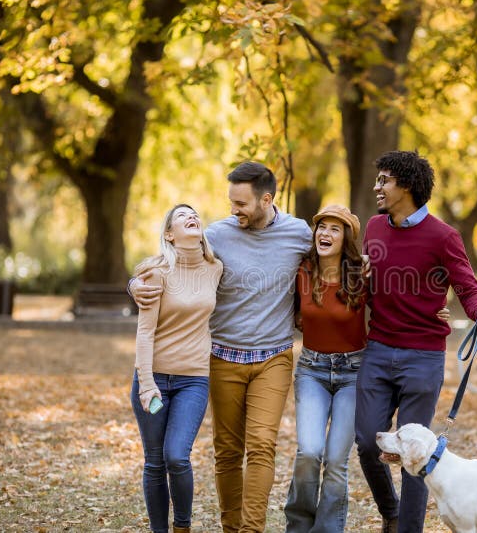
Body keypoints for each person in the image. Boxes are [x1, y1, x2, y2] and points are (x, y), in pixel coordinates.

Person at [131, 162, 312, 533]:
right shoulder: (216, 237)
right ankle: (231, 528)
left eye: (241, 203)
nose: (233, 210)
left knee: (261, 445)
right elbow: (172, 264)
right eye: (230, 201)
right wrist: (134, 284)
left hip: (273, 357)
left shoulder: (299, 234)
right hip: (222, 358)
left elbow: (335, 261)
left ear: (266, 199)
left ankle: (251, 530)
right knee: (227, 452)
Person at [356, 150, 477, 533]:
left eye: (384, 180)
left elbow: (467, 285)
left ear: (407, 186)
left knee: (416, 454)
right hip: (379, 349)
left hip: (423, 357)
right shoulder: (374, 228)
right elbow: (366, 287)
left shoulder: (443, 236)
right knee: (368, 441)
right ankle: (392, 512)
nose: (377, 187)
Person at [130, 204, 223, 533]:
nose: (191, 216)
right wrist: (145, 383)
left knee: (177, 456)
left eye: (194, 213)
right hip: (153, 379)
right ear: (169, 234)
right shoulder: (156, 272)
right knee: (155, 461)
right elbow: (145, 331)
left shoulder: (216, 268)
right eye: (181, 216)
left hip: (193, 380)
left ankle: (182, 526)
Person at [283, 205, 367, 533]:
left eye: (334, 228)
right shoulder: (302, 270)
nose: (325, 234)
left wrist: (436, 313)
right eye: (321, 227)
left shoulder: (362, 275)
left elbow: (395, 310)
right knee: (309, 452)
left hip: (353, 373)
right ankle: (299, 526)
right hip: (312, 370)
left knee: (335, 461)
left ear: (345, 237)